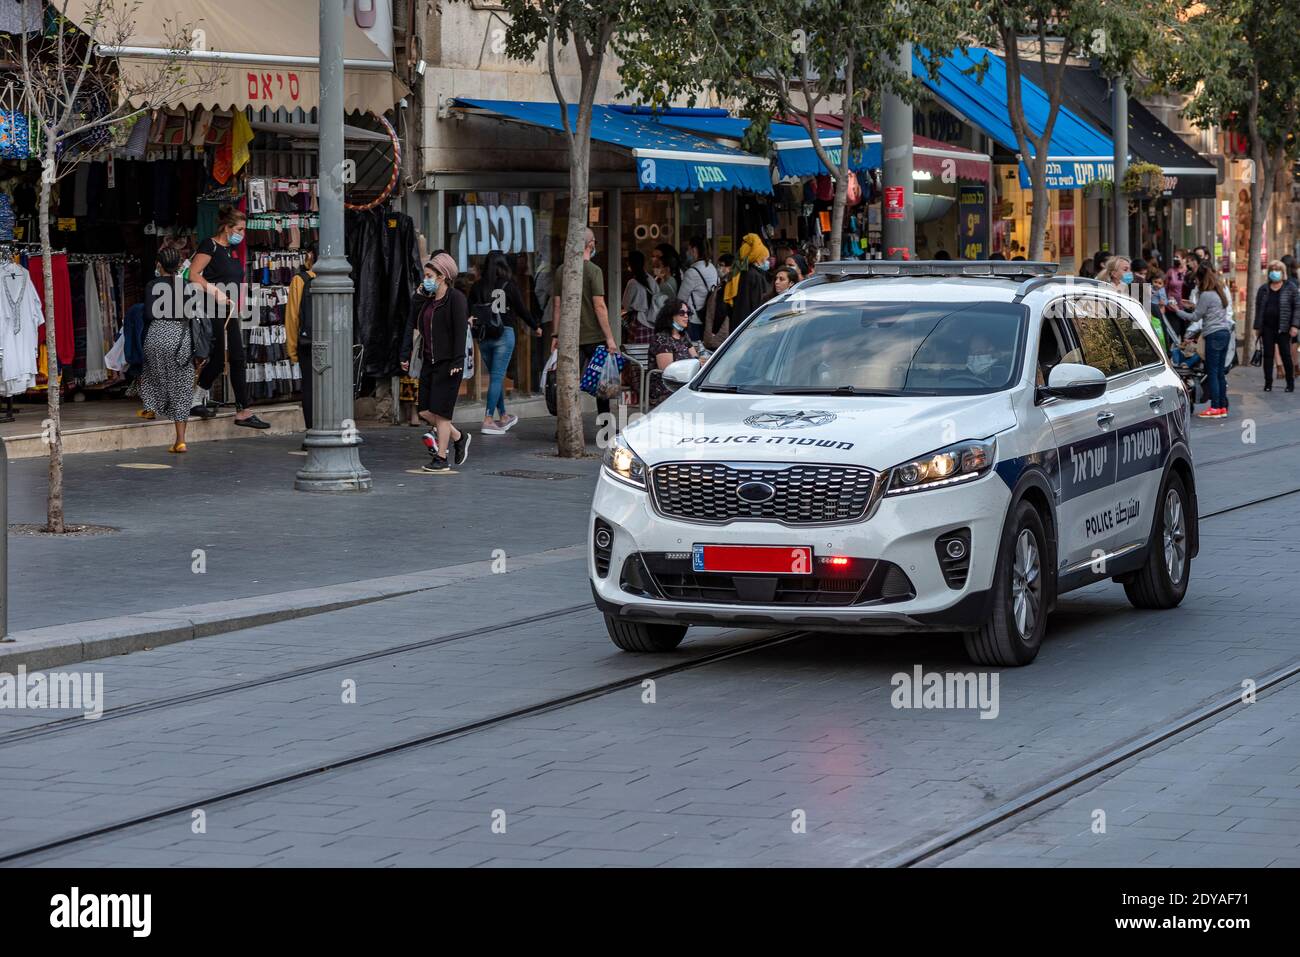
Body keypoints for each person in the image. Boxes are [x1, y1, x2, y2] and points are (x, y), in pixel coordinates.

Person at [189, 205, 269, 428]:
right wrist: (216, 292)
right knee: (215, 359)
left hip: (230, 310)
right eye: (240, 229)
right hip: (211, 307)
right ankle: (196, 398)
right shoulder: (210, 245)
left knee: (237, 357)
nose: (242, 234)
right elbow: (193, 274)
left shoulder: (230, 252)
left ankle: (243, 410)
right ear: (227, 227)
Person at [400, 253, 471, 471]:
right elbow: (413, 317)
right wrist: (420, 294)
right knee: (424, 411)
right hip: (429, 362)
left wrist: (458, 360)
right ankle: (458, 437)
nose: (426, 279)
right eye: (425, 275)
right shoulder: (428, 300)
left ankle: (441, 458)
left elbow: (461, 331)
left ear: (443, 277)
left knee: (442, 413)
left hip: (449, 363)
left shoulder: (456, 299)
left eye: (430, 275)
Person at [470, 249, 540, 434]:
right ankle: (487, 420)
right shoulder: (509, 285)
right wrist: (535, 326)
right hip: (503, 334)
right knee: (497, 376)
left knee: (496, 377)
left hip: (484, 337)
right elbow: (522, 310)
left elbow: (470, 311)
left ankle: (503, 416)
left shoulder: (477, 287)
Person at [553, 227, 617, 421]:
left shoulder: (562, 270)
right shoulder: (594, 271)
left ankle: (566, 426)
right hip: (594, 337)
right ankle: (605, 426)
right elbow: (600, 306)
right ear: (590, 245)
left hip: (569, 336)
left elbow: (557, 305)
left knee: (569, 384)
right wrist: (610, 338)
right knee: (602, 384)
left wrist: (555, 335)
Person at [138, 247, 198, 453]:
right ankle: (180, 440)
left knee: (152, 374)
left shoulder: (152, 285)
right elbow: (191, 315)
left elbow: (147, 315)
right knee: (181, 386)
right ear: (179, 267)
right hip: (180, 338)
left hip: (156, 335)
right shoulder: (188, 286)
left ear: (159, 265)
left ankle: (151, 408)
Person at [1172, 265, 1233, 418]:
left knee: (1212, 372)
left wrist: (1177, 310)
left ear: (1200, 279)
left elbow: (1195, 317)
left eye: (1196, 280)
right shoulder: (1219, 292)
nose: (1196, 283)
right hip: (1224, 333)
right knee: (1219, 372)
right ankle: (1221, 407)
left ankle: (1214, 408)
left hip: (1213, 334)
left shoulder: (1206, 294)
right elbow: (1210, 310)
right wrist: (1194, 306)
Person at [284, 243, 316, 431]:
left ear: (311, 255)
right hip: (334, 344)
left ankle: (312, 430)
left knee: (310, 388)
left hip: (307, 343)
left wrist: (292, 350)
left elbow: (292, 317)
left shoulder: (300, 280)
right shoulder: (339, 278)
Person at [1253, 259, 1296, 392]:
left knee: (1286, 355)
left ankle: (1290, 383)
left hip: (1284, 327)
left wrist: (1295, 326)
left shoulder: (1290, 288)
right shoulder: (1263, 289)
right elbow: (1259, 308)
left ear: (1283, 273)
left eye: (1277, 270)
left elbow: (1297, 308)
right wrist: (1257, 326)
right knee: (1268, 355)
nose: (1274, 273)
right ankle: (1268, 383)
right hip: (1267, 327)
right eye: (1272, 270)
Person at [647, 298, 700, 408]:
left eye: (688, 313)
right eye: (682, 313)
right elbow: (668, 371)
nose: (686, 316)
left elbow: (695, 359)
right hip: (667, 388)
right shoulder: (661, 339)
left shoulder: (684, 337)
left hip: (684, 385)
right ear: (670, 316)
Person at [724, 232, 773, 326]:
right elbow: (756, 305)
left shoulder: (741, 273)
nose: (767, 262)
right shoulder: (753, 276)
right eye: (765, 258)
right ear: (758, 259)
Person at [678, 235, 718, 343]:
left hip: (694, 320)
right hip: (708, 318)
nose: (688, 253)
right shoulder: (712, 267)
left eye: (688, 249)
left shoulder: (692, 272)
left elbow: (681, 299)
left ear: (694, 249)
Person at [620, 249, 657, 346]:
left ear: (630, 264)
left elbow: (626, 305)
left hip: (638, 322)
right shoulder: (652, 280)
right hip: (652, 321)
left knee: (636, 353)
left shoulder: (632, 283)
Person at [651, 243, 681, 308]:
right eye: (653, 256)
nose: (654, 260)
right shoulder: (658, 278)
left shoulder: (671, 280)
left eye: (658, 257)